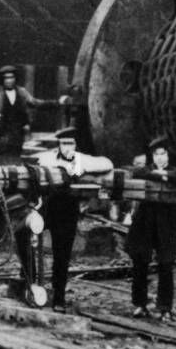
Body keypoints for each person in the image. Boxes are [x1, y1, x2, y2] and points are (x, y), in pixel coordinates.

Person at [33, 127, 113, 313]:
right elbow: (35, 161)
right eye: (64, 143)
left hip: (67, 211)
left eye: (71, 144)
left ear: (75, 145)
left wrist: (81, 168)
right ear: (59, 144)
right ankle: (28, 282)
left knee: (62, 255)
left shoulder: (81, 159)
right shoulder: (48, 157)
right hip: (47, 207)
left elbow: (107, 163)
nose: (67, 147)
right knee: (24, 233)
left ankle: (58, 298)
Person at [128, 135, 176, 321]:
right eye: (156, 155)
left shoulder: (174, 172)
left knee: (166, 264)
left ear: (168, 155)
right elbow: (137, 173)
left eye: (163, 154)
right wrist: (158, 174)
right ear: (152, 156)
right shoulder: (146, 170)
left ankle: (165, 307)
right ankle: (140, 304)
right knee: (140, 262)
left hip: (166, 223)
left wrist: (164, 175)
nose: (160, 158)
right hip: (144, 222)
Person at [0, 65, 54, 159]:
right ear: (2, 79)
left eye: (11, 77)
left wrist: (56, 103)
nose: (9, 81)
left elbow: (35, 103)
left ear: (15, 78)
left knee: (14, 161)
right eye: (6, 78)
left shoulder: (21, 92)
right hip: (1, 136)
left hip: (17, 137)